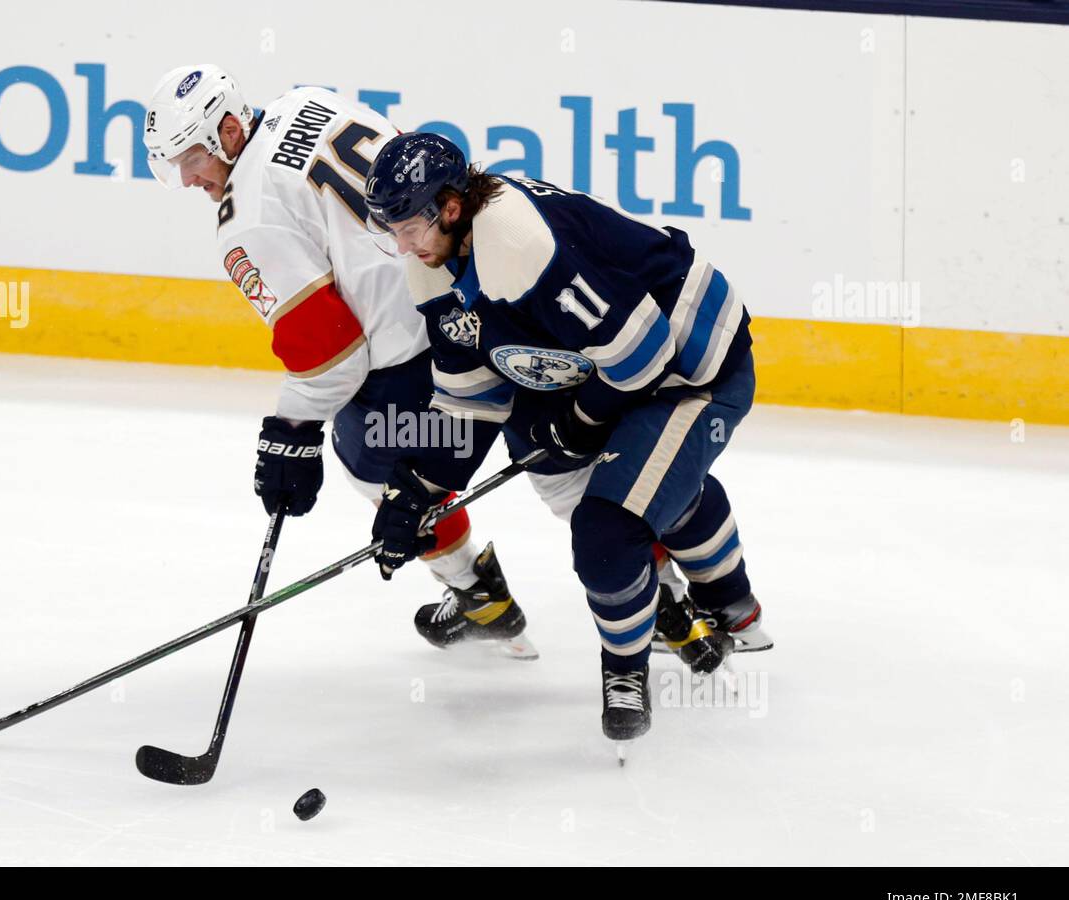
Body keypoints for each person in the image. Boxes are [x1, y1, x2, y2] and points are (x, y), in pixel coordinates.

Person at [363, 132, 768, 742]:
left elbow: (643, 350)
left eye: (409, 225)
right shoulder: (432, 261)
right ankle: (722, 598)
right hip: (592, 361)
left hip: (690, 366)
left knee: (607, 531)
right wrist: (416, 489)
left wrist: (578, 422)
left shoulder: (517, 241)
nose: (402, 244)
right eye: (390, 229)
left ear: (450, 206)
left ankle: (630, 671)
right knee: (587, 480)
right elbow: (473, 396)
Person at [142, 67, 533, 656]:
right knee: (571, 462)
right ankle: (668, 601)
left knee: (372, 461)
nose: (188, 177)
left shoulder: (244, 219)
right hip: (483, 296)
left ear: (227, 129)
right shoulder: (309, 100)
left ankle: (483, 598)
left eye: (192, 157)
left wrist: (290, 431)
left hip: (413, 358)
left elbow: (332, 359)